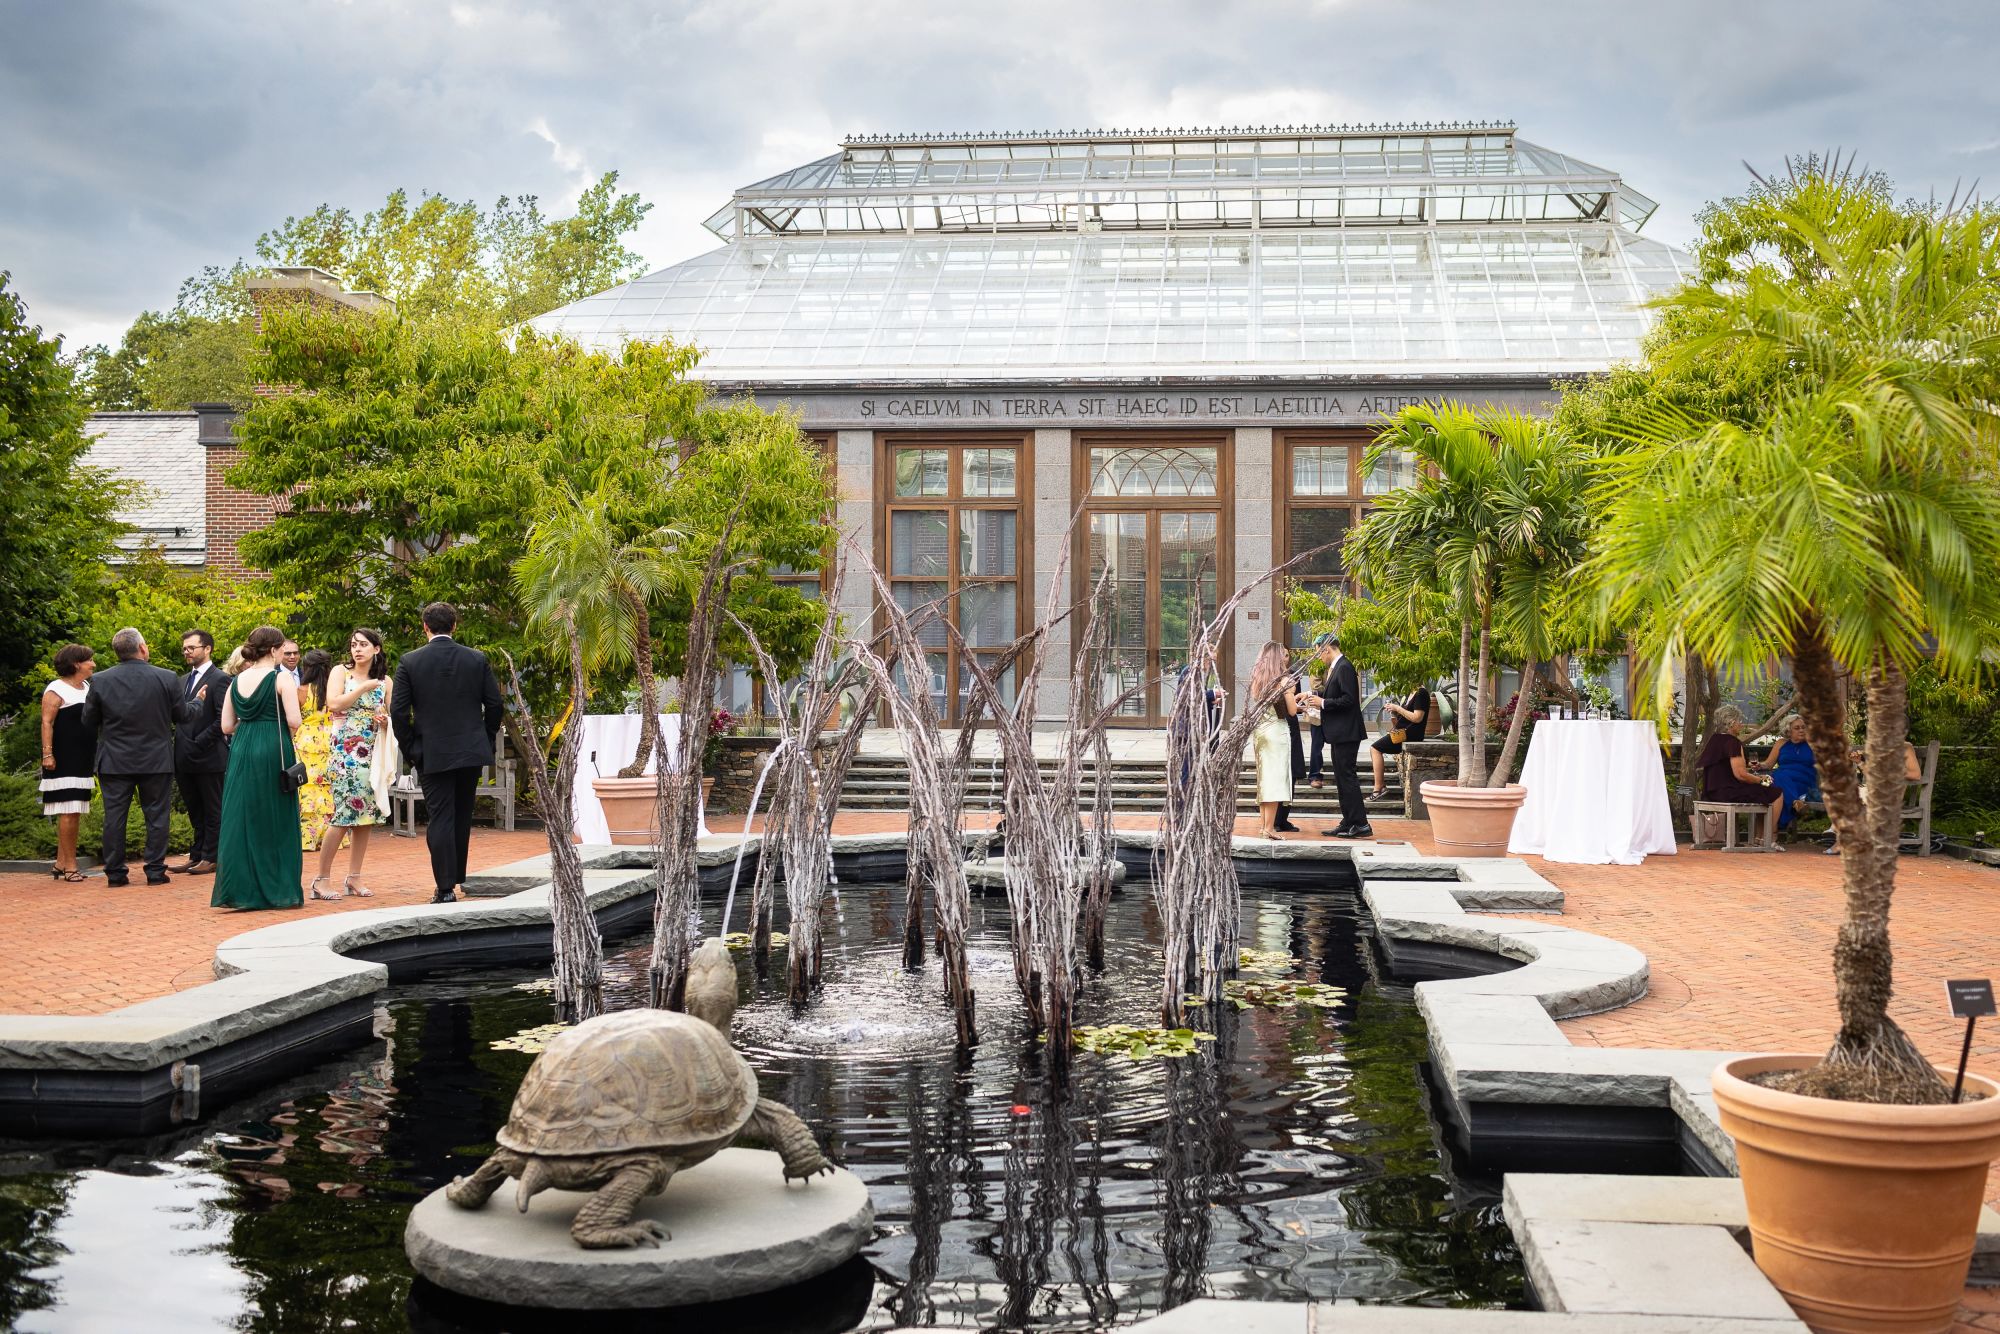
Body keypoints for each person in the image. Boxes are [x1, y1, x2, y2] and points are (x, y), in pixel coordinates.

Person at [391, 602, 504, 904]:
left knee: (441, 817)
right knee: (461, 814)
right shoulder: (475, 659)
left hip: (432, 751)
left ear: (424, 626)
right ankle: (454, 878)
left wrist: (412, 749)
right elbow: (494, 705)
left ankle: (445, 887)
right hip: (469, 749)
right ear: (455, 626)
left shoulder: (410, 662)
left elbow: (399, 713)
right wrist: (486, 737)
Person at [81, 628, 192, 887]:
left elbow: (88, 720)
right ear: (142, 648)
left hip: (115, 760)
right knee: (156, 816)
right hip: (155, 759)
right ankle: (155, 871)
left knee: (114, 817)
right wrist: (197, 703)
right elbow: (183, 716)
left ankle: (116, 874)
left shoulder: (100, 680)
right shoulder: (166, 677)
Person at [212, 626, 304, 910]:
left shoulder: (235, 680)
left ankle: (240, 890)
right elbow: (295, 720)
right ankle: (278, 889)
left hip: (242, 748)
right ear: (275, 650)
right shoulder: (281, 679)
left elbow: (226, 726)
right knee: (276, 817)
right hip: (273, 747)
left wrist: (248, 725)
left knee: (242, 815)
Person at [312, 629, 392, 899]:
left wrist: (384, 720)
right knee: (344, 813)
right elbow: (333, 703)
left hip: (372, 751)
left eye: (364, 645)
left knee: (366, 815)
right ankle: (321, 878)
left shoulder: (385, 681)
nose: (357, 649)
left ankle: (354, 877)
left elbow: (386, 713)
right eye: (354, 645)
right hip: (345, 750)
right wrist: (362, 688)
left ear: (376, 649)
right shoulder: (340, 672)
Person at [172, 629, 228, 875]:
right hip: (183, 756)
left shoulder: (221, 679)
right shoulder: (182, 680)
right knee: (194, 808)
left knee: (213, 808)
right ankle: (195, 855)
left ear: (207, 649)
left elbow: (222, 719)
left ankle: (211, 856)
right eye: (185, 648)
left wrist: (199, 742)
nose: (187, 651)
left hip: (209, 755)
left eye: (191, 647)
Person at [39, 644, 96, 882]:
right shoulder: (56, 688)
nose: (93, 663)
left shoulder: (87, 687)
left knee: (75, 811)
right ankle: (71, 865)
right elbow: (46, 723)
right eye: (89, 660)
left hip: (83, 757)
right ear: (76, 664)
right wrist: (47, 754)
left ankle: (61, 862)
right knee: (69, 812)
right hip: (63, 758)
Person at [1248, 641, 1311, 839]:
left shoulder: (1259, 678)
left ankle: (1263, 826)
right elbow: (1291, 711)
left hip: (1260, 732)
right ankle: (1270, 828)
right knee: (1275, 780)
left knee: (1264, 779)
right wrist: (1297, 699)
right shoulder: (1284, 680)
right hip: (1277, 732)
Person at [1695, 705, 1785, 835]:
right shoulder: (1732, 742)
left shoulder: (1714, 739)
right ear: (1730, 723)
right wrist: (1761, 780)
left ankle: (1759, 837)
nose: (1741, 724)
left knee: (1763, 793)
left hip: (1712, 792)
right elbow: (1740, 775)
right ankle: (1768, 838)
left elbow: (1726, 769)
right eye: (1739, 721)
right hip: (1729, 793)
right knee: (1776, 793)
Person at [1316, 632, 1371, 839]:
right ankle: (1348, 821)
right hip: (1340, 733)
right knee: (1341, 778)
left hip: (1347, 732)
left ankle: (1360, 823)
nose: (1320, 657)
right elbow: (1335, 696)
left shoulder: (1344, 667)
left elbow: (1348, 700)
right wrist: (1315, 697)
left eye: (1319, 654)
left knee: (1347, 777)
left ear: (1327, 649)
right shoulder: (1337, 667)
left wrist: (1322, 703)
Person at [294, 650, 336, 861]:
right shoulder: (335, 690)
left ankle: (307, 838)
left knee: (306, 787)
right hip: (330, 739)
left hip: (306, 740)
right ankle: (330, 836)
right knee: (327, 786)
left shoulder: (301, 690)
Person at [1752, 716, 1820, 830]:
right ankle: (1795, 802)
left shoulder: (1812, 744)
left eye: (1803, 727)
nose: (1801, 730)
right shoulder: (1781, 743)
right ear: (1788, 731)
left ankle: (1768, 834)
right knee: (1772, 783)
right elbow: (1768, 764)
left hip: (1803, 783)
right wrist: (1760, 765)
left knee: (1776, 778)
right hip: (1783, 781)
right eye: (1797, 728)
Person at [1369, 681, 1433, 800]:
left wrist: (1397, 708)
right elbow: (1407, 715)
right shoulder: (1412, 692)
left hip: (1410, 734)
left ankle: (1378, 788)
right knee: (1375, 748)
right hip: (1404, 732)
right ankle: (1380, 786)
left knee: (1375, 748)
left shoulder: (1421, 693)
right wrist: (1394, 712)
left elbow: (1417, 717)